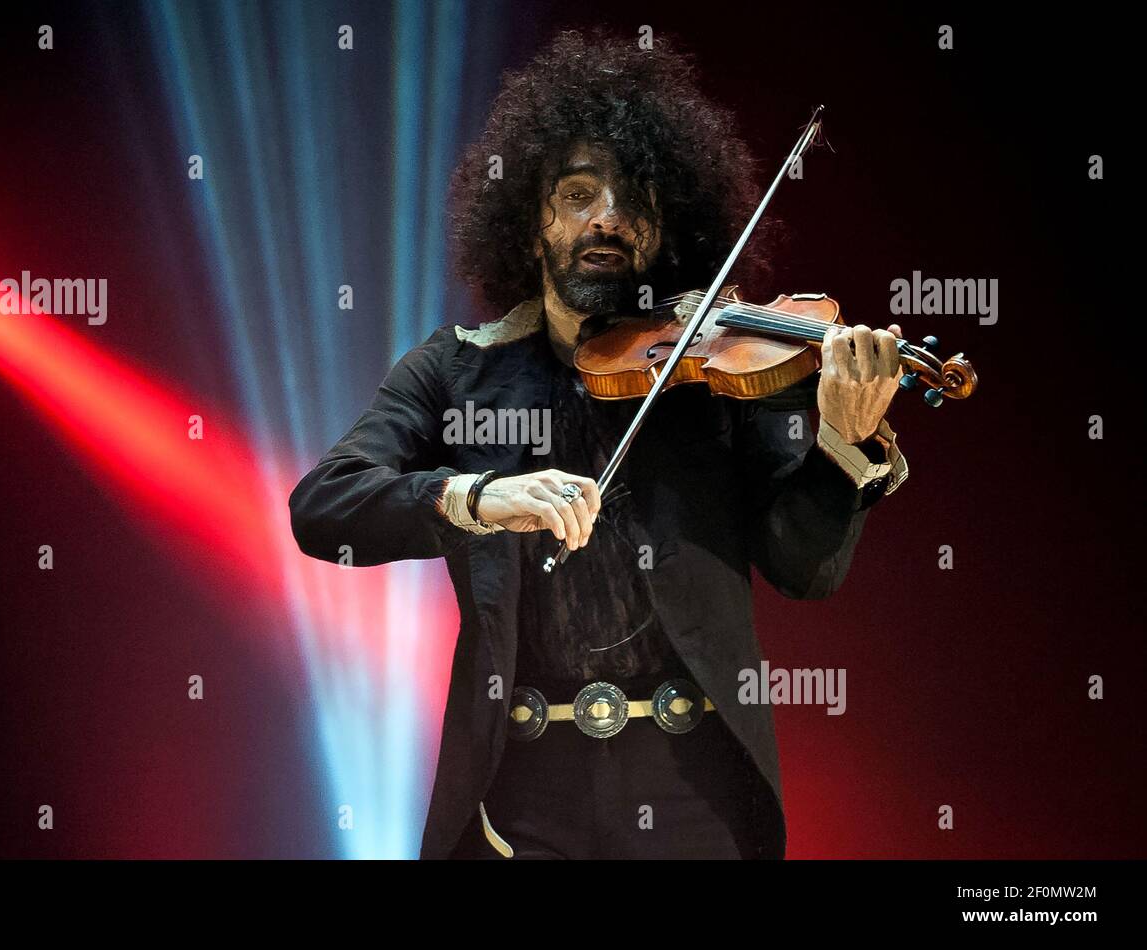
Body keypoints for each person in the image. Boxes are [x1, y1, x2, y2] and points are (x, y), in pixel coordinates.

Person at [288, 30, 908, 859]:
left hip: (693, 789)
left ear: (666, 225)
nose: (607, 218)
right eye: (578, 194)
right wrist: (474, 497)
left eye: (635, 200)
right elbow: (323, 506)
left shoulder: (712, 371)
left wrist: (840, 438)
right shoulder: (456, 369)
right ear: (528, 217)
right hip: (522, 792)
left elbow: (807, 570)